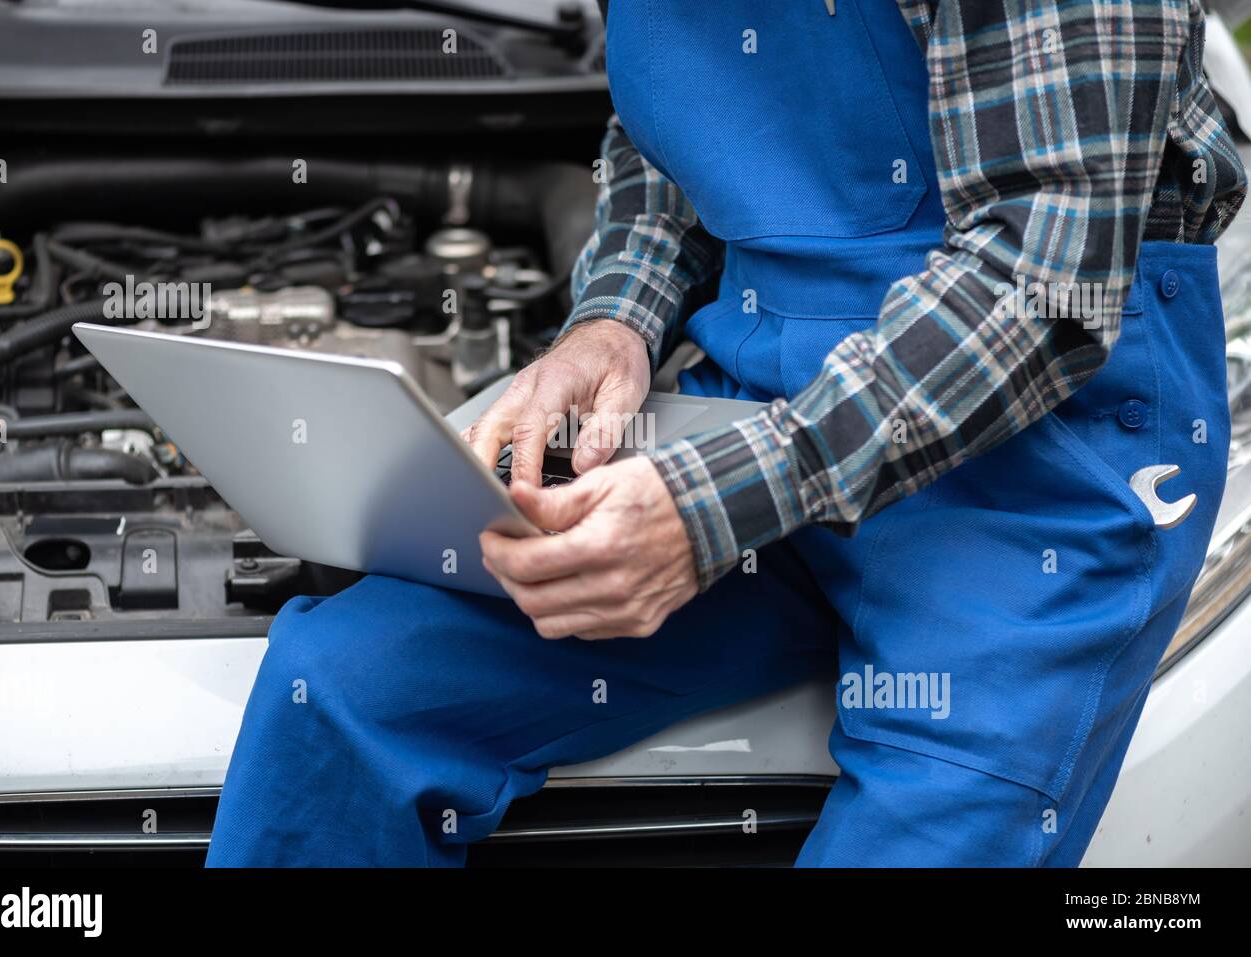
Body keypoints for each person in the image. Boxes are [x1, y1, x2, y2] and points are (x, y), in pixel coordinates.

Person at [206, 0, 1246, 866]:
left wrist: (712, 510)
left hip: (1032, 462)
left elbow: (1040, 278)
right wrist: (614, 318)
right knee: (343, 688)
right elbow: (673, 135)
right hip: (745, 408)